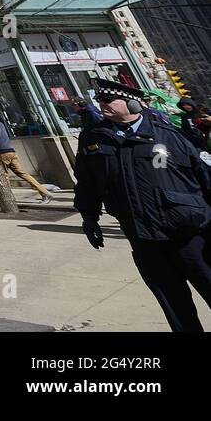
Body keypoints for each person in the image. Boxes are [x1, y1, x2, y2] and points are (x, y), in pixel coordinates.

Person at [74, 78, 211, 332]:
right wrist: (89, 216)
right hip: (143, 238)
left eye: (108, 100)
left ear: (133, 104)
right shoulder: (93, 139)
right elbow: (87, 182)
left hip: (190, 237)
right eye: (100, 100)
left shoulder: (170, 136)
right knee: (176, 308)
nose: (102, 104)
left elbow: (204, 177)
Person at [0, 102, 53, 204]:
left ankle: (6, 197)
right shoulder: (0, 120)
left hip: (2, 153)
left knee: (3, 176)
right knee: (23, 174)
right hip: (10, 150)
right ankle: (45, 193)